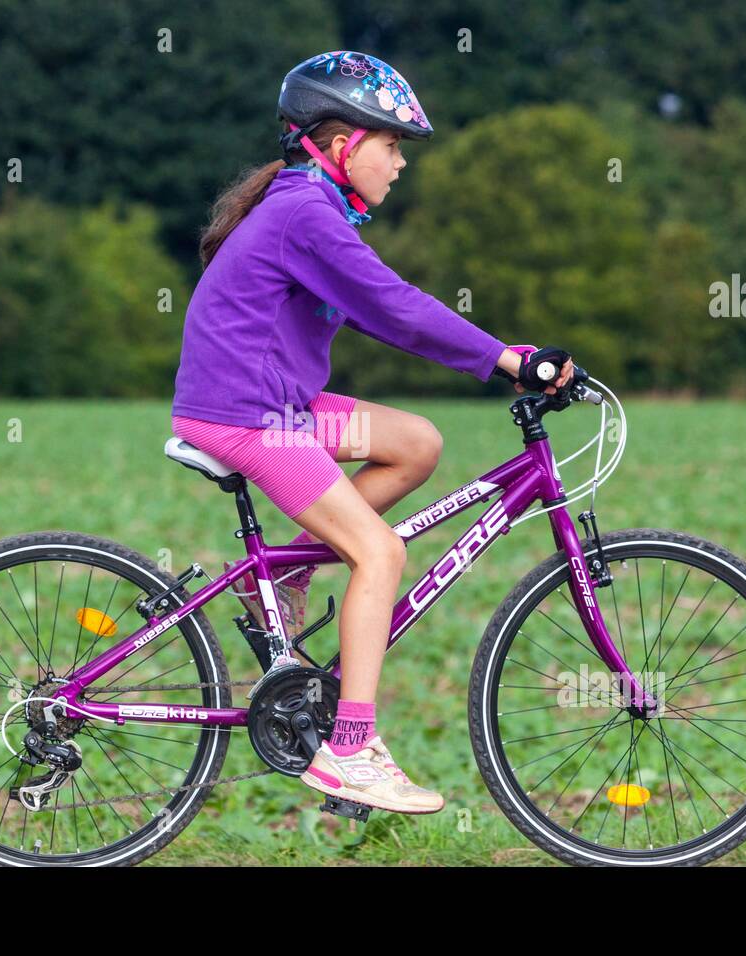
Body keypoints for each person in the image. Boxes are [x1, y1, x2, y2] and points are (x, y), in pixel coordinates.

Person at [170, 50, 574, 814]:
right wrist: (507, 358)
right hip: (248, 417)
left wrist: (498, 359)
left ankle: (284, 579)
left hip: (276, 404)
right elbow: (394, 308)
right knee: (381, 552)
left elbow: (387, 309)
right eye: (393, 146)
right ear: (345, 144)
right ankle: (351, 750)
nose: (400, 164)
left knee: (415, 441)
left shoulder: (310, 205)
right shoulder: (303, 212)